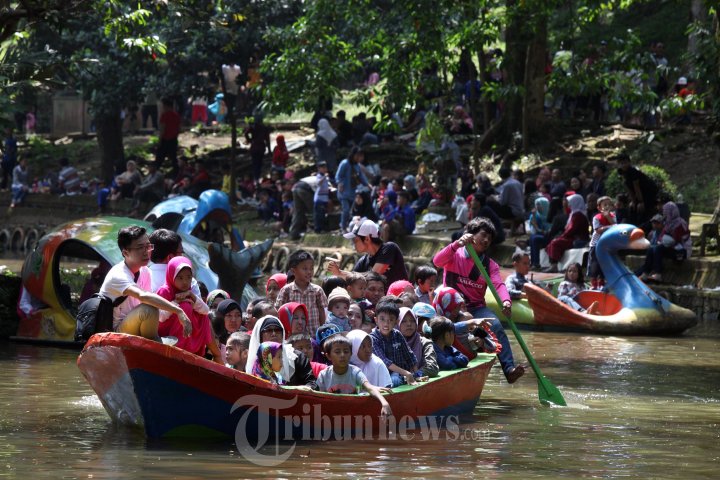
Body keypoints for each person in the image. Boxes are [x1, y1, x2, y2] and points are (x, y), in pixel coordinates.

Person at [432, 217, 525, 383]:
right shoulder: (455, 253)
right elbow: (437, 261)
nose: (487, 240)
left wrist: (506, 302)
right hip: (451, 309)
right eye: (483, 235)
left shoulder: (490, 265)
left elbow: (499, 285)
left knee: (495, 325)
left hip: (476, 307)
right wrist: (457, 244)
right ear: (470, 235)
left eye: (490, 237)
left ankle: (509, 369)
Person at [98, 225, 192, 339]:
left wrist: (176, 303)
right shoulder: (118, 274)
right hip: (114, 331)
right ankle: (156, 345)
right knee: (149, 309)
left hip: (134, 325)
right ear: (125, 253)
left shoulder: (145, 271)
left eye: (148, 246)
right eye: (140, 248)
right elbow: (144, 296)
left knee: (152, 306)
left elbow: (152, 304)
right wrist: (178, 311)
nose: (146, 252)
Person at [156, 256, 222, 363]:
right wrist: (176, 303)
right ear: (171, 276)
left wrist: (192, 297)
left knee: (203, 316)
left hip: (186, 332)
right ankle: (177, 347)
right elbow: (161, 317)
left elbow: (205, 310)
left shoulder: (191, 289)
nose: (185, 282)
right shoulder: (164, 291)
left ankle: (195, 348)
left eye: (188, 277)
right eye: (180, 278)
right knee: (185, 306)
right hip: (166, 331)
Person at [316, 335, 393, 422]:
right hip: (332, 418)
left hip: (354, 417)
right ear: (328, 356)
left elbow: (369, 387)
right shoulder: (323, 375)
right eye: (337, 352)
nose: (342, 355)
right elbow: (319, 399)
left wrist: (384, 403)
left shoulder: (355, 372)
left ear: (351, 354)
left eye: (346, 351)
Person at [328, 219, 409, 286]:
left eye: (355, 240)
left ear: (367, 239)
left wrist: (340, 272)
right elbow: (353, 280)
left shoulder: (389, 248)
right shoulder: (363, 261)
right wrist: (338, 273)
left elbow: (373, 276)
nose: (353, 244)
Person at [246, 316, 317, 389]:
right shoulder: (255, 362)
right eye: (269, 330)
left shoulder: (295, 356)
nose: (274, 334)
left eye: (277, 330)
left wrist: (297, 390)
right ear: (260, 336)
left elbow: (312, 384)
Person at [370, 300, 424, 387]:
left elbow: (409, 355)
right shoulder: (373, 338)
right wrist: (406, 373)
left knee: (421, 374)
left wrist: (416, 373)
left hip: (403, 371)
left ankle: (409, 378)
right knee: (394, 381)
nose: (386, 323)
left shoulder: (397, 334)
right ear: (376, 320)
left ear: (396, 322)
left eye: (391, 320)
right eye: (382, 319)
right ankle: (405, 379)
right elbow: (386, 362)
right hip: (386, 374)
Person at [274, 250, 328, 335]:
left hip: (313, 333)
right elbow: (279, 311)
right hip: (293, 335)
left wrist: (322, 329)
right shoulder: (286, 290)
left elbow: (321, 310)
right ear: (293, 271)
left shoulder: (317, 290)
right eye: (305, 268)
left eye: (311, 268)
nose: (309, 272)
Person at [636, 201, 691, 282]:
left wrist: (666, 241)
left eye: (666, 212)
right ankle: (645, 273)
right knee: (651, 249)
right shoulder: (668, 224)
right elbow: (661, 236)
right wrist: (663, 241)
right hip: (671, 248)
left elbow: (677, 240)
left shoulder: (680, 223)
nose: (665, 214)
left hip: (681, 251)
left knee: (658, 249)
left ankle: (658, 274)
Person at [544, 194, 590, 273]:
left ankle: (554, 265)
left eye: (570, 202)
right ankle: (553, 265)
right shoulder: (574, 213)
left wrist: (562, 236)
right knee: (554, 242)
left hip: (578, 239)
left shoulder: (578, 215)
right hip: (573, 237)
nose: (568, 204)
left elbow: (572, 229)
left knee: (556, 243)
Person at [616, 154, 659, 228]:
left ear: (629, 162)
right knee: (632, 209)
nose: (624, 165)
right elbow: (628, 188)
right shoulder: (621, 172)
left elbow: (637, 187)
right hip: (638, 195)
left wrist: (641, 202)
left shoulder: (633, 171)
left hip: (648, 193)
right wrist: (633, 201)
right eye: (621, 163)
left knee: (642, 210)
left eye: (625, 162)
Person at [398, 307, 439, 378]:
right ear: (397, 323)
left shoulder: (424, 342)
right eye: (404, 321)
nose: (409, 324)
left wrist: (414, 375)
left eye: (412, 320)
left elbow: (432, 368)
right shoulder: (392, 344)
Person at [335, 147, 369, 231]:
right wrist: (339, 183)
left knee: (351, 212)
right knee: (345, 209)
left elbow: (361, 177)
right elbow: (338, 176)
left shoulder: (357, 166)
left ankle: (348, 226)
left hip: (352, 192)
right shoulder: (345, 163)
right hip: (343, 191)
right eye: (358, 156)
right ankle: (343, 227)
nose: (359, 158)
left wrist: (368, 184)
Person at [587, 196, 616, 289]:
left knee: (604, 263)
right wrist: (610, 226)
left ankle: (602, 282)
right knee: (594, 263)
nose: (607, 206)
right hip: (596, 244)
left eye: (609, 205)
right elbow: (598, 230)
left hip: (606, 245)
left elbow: (616, 226)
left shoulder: (613, 216)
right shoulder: (596, 217)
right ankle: (593, 283)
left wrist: (608, 218)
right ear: (599, 208)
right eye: (605, 205)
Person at [156, 98, 181, 172]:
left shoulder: (164, 115)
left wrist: (159, 140)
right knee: (173, 157)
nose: (163, 108)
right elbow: (179, 128)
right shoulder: (176, 115)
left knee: (159, 158)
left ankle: (155, 172)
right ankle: (176, 172)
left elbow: (162, 129)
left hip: (165, 139)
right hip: (173, 139)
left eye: (163, 106)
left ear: (167, 106)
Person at [244, 117, 272, 183]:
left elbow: (246, 133)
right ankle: (257, 177)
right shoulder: (264, 128)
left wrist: (250, 140)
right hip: (261, 148)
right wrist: (269, 150)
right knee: (259, 163)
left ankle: (255, 178)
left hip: (254, 148)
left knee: (255, 163)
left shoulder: (253, 127)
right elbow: (267, 140)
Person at [313, 161, 330, 233]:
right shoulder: (319, 176)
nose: (325, 169)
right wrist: (324, 177)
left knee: (323, 214)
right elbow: (318, 183)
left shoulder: (326, 177)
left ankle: (323, 228)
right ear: (319, 168)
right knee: (319, 215)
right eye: (323, 167)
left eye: (325, 167)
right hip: (319, 199)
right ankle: (318, 229)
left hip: (325, 199)